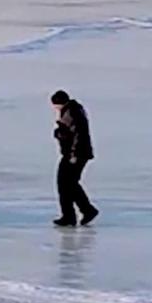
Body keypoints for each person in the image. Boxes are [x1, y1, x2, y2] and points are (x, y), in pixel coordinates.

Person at [50, 89, 97, 227]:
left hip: (75, 154)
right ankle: (80, 212)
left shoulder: (71, 112)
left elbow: (77, 134)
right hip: (75, 153)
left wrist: (74, 154)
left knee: (65, 184)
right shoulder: (72, 110)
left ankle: (75, 214)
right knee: (69, 184)